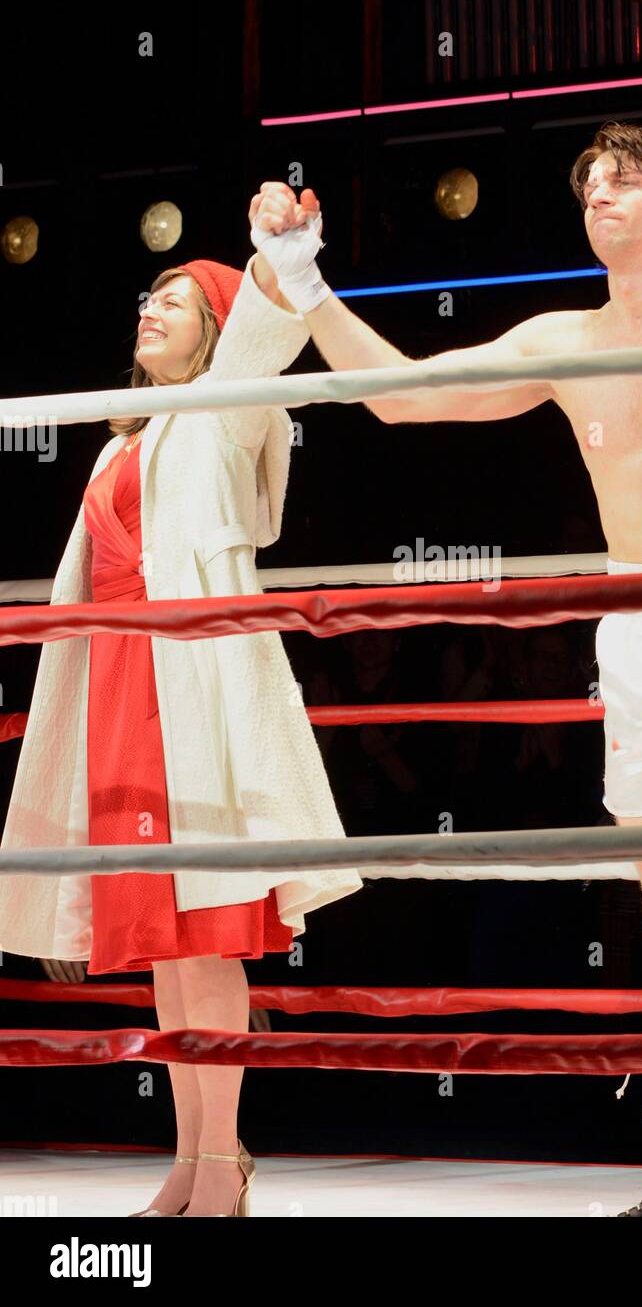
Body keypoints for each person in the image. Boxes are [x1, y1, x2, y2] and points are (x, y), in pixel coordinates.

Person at [246, 119, 642, 1217]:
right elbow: (400, 394)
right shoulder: (566, 338)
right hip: (636, 638)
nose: (598, 194)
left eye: (623, 182)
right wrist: (305, 282)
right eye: (588, 183)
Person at [0, 188, 364, 1217]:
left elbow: (265, 322)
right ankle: (197, 1159)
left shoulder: (225, 405)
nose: (147, 310)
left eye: (173, 300)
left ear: (211, 330)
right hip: (120, 691)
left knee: (205, 933)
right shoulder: (122, 444)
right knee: (164, 948)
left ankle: (220, 1163)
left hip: (193, 700)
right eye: (144, 298)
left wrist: (275, 247)